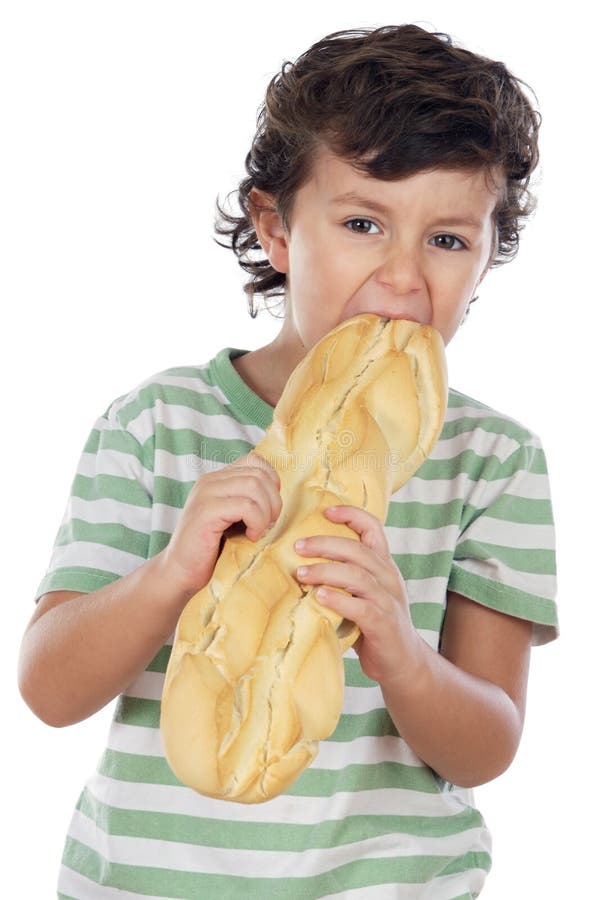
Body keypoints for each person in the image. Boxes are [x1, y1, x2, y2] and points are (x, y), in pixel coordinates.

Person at [18, 23, 558, 899]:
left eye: (449, 240)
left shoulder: (493, 460)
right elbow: (48, 689)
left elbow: (489, 745)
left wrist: (401, 651)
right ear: (275, 228)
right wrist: (170, 575)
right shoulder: (154, 425)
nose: (403, 276)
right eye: (361, 223)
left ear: (490, 257)